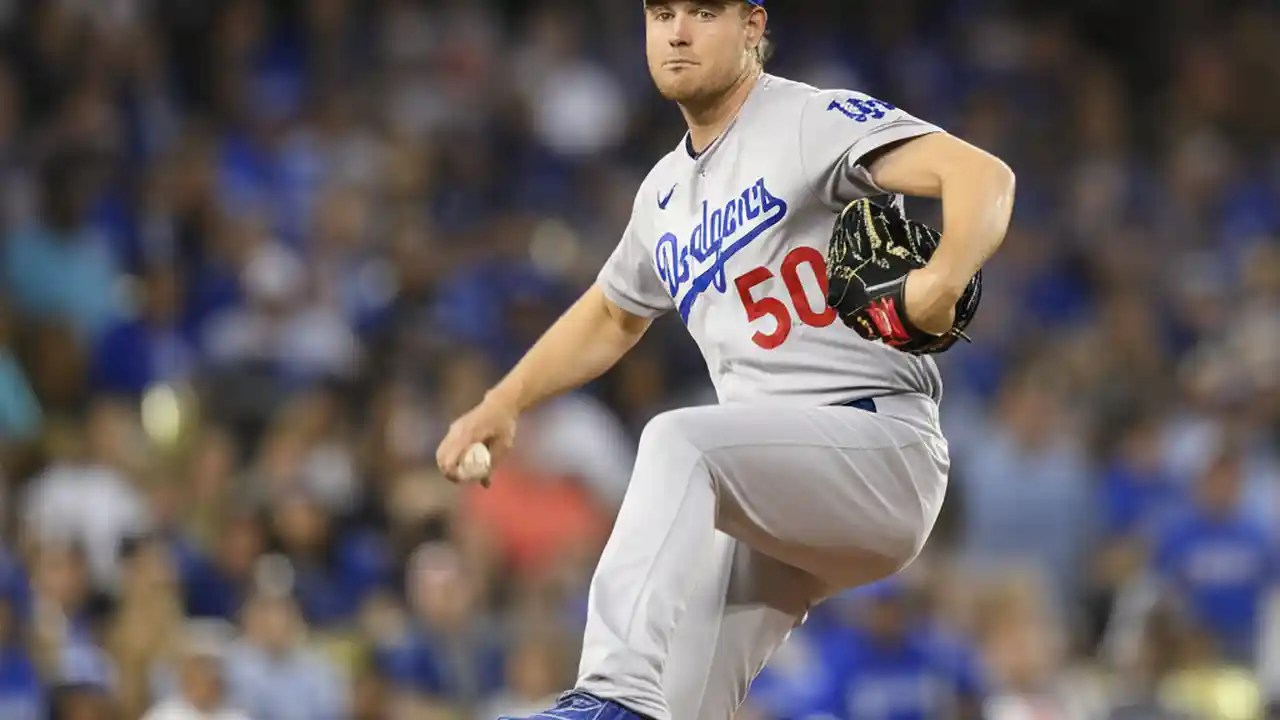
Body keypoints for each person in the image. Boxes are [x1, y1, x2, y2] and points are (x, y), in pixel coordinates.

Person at [435, 1, 1015, 718]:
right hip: (775, 486)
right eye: (661, 13)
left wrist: (943, 278)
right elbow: (614, 312)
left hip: (878, 449)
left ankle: (608, 693)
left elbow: (984, 177)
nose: (677, 31)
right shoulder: (662, 195)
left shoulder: (805, 120)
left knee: (678, 441)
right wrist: (505, 401)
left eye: (704, 11)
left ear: (751, 25)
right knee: (682, 701)